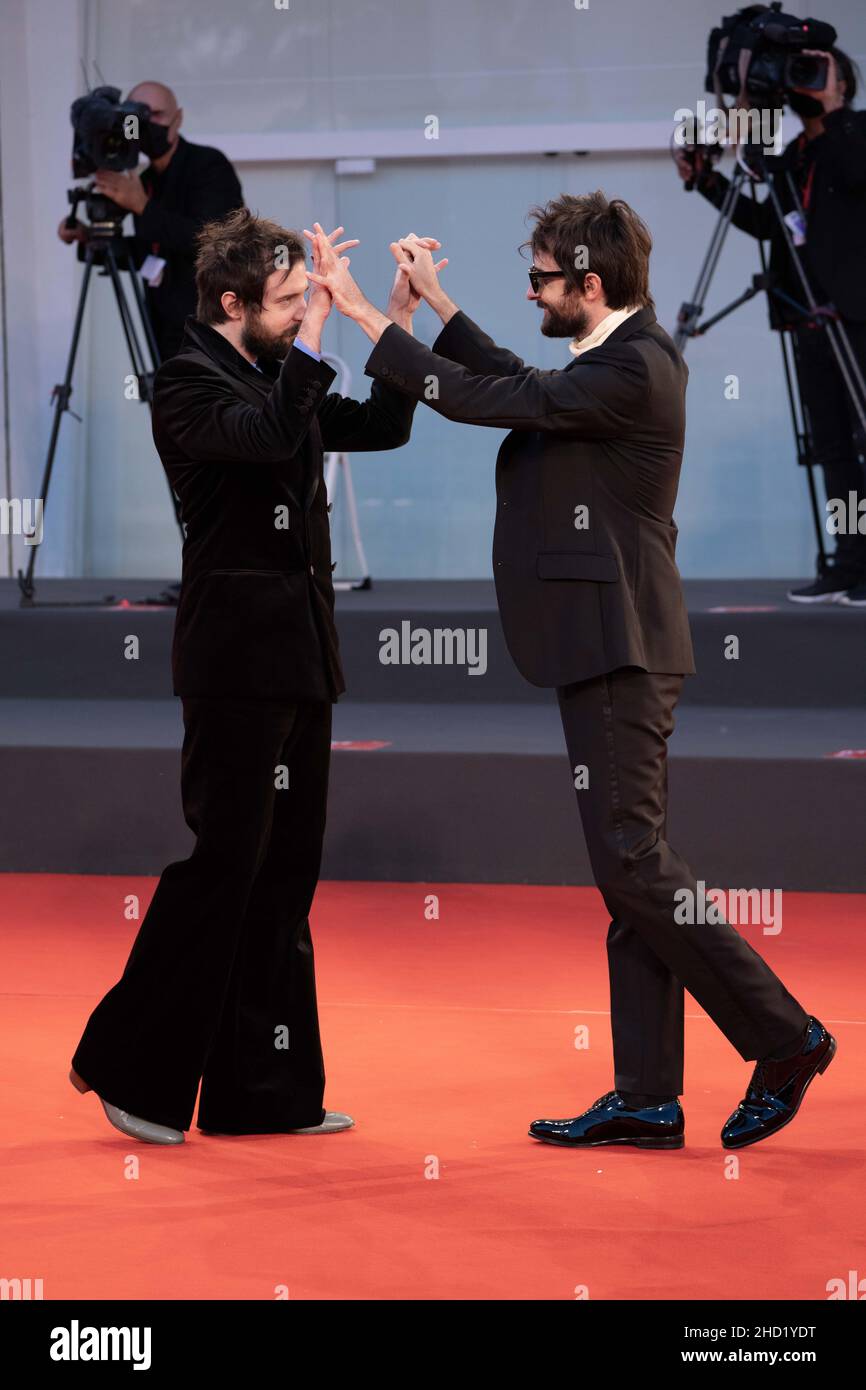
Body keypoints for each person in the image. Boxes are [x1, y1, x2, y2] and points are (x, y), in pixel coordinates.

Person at [305, 191, 836, 1150]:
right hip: (608, 644)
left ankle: (786, 1037)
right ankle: (645, 1093)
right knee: (628, 871)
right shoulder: (620, 360)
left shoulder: (635, 370)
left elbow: (493, 399)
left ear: (590, 283)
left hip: (619, 648)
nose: (532, 292)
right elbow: (519, 382)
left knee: (634, 863)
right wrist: (436, 306)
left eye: (543, 279)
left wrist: (366, 317)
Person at [68, 210, 445, 1144]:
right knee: (224, 865)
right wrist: (319, 328)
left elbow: (383, 429)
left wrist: (393, 321)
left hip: (302, 657)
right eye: (288, 300)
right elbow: (275, 438)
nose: (302, 310)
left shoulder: (277, 369)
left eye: (304, 297)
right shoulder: (186, 384)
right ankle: (126, 1066)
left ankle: (263, 1095)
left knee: (284, 876)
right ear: (233, 303)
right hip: (234, 663)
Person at [675, 43, 866, 605]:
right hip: (805, 316)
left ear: (844, 83)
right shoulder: (792, 156)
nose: (803, 80)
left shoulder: (854, 135)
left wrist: (827, 110)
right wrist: (708, 180)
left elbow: (855, 175)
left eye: (816, 71)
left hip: (856, 316)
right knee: (831, 448)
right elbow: (771, 225)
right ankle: (847, 563)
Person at [59, 81, 244, 362]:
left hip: (213, 329)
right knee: (165, 404)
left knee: (209, 405)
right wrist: (90, 238)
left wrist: (141, 206)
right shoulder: (144, 181)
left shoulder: (208, 165)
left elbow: (214, 243)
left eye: (156, 114)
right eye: (140, 116)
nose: (148, 123)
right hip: (161, 328)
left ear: (177, 118)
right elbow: (149, 253)